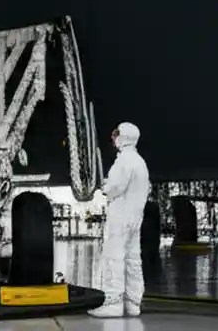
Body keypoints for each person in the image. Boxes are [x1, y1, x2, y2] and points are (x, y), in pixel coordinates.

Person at [89, 122, 151, 318]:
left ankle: (113, 303)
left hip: (121, 217)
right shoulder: (140, 162)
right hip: (135, 218)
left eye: (116, 134)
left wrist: (105, 188)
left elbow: (116, 186)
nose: (114, 138)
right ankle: (133, 303)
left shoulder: (124, 160)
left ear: (123, 137)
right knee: (133, 259)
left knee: (113, 258)